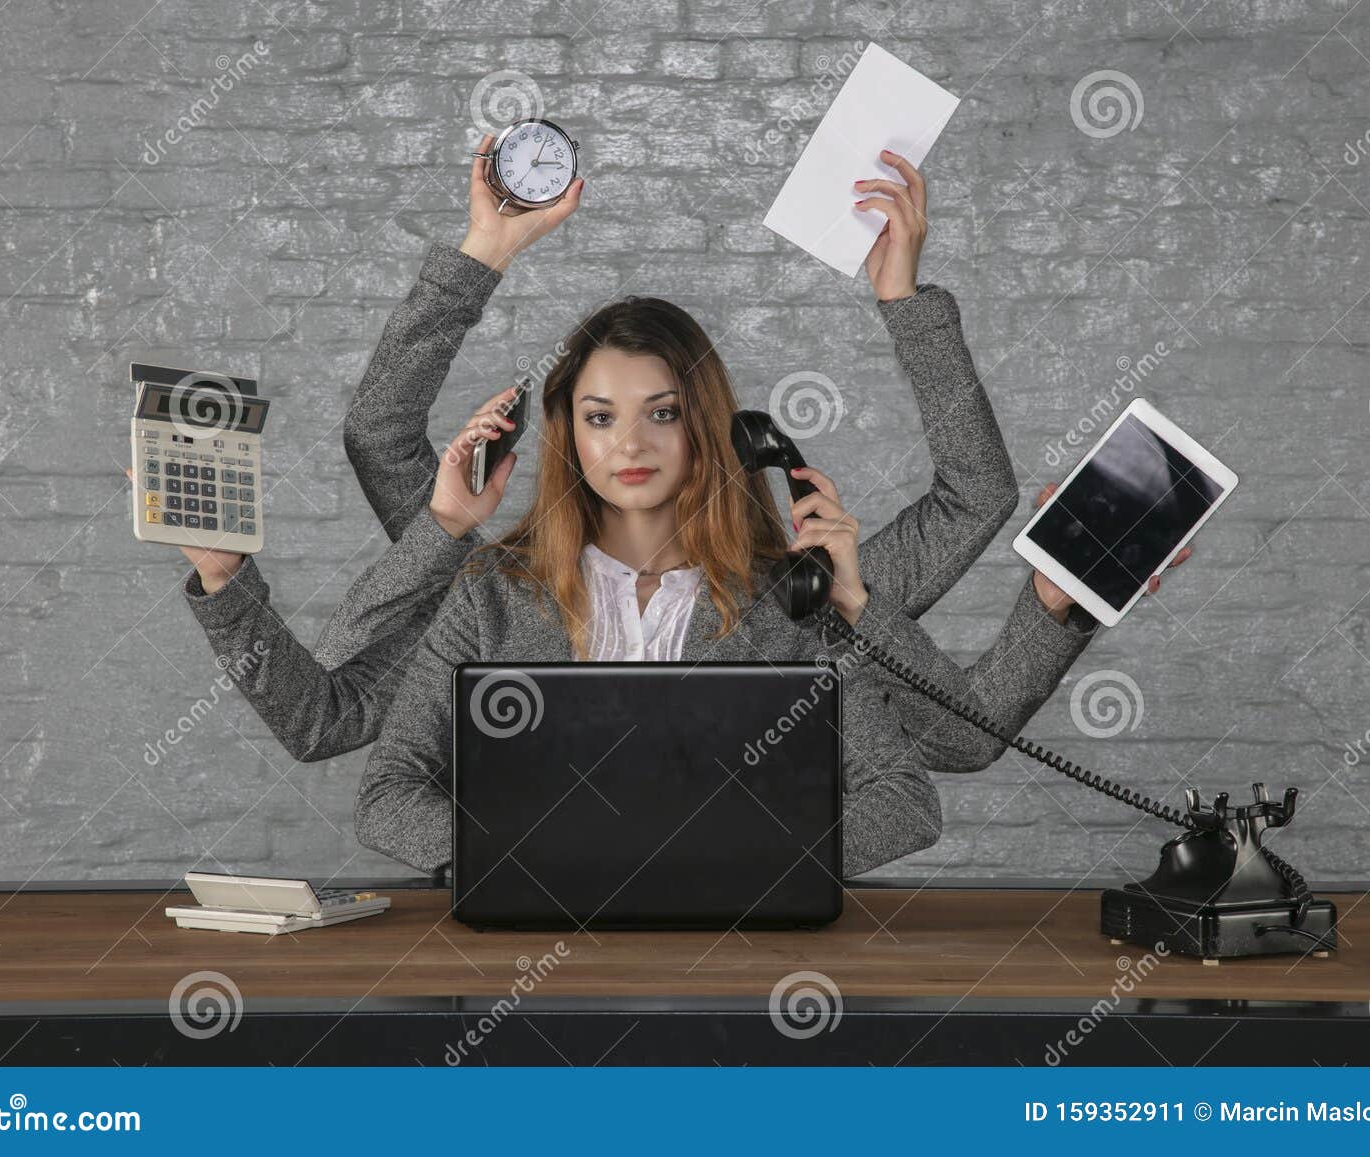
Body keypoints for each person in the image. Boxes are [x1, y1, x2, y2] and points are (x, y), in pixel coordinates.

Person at [147, 136, 1187, 875]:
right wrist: (485, 253)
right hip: (526, 946)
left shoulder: (800, 595)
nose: (630, 443)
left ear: (706, 428)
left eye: (660, 413)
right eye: (599, 417)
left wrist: (901, 298)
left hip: (738, 948)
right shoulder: (486, 591)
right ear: (566, 435)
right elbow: (375, 450)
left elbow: (959, 682)